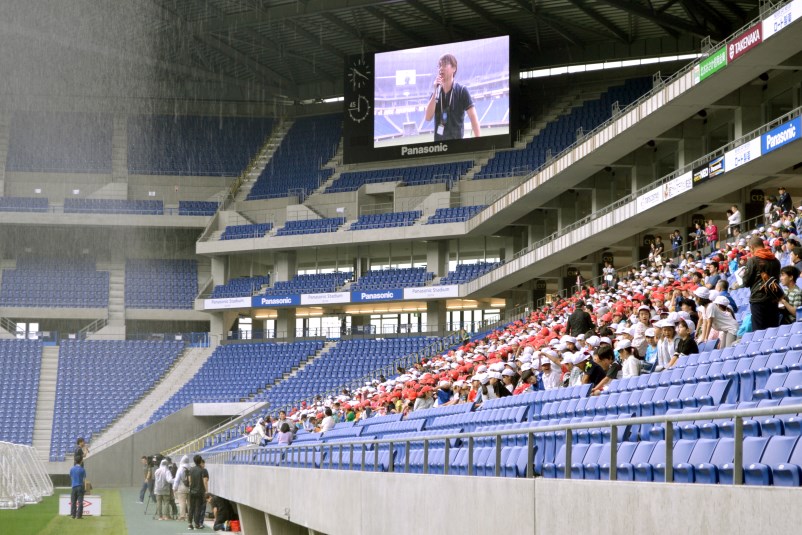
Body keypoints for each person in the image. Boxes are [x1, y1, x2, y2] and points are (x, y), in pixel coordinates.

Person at [424, 53, 481, 141]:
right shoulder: (436, 93)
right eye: (439, 66)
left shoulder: (462, 91)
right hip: (439, 147)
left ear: (454, 68)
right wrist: (435, 91)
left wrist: (479, 142)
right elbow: (428, 117)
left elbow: (473, 117)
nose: (441, 68)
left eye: (445, 64)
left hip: (457, 146)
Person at [742, 234, 783, 330]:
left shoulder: (752, 260)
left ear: (752, 247)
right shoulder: (775, 260)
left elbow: (746, 282)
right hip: (773, 299)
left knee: (759, 332)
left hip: (758, 300)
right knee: (773, 331)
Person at [188, 454, 209, 531]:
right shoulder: (202, 470)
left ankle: (190, 524)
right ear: (200, 461)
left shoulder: (191, 469)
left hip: (192, 491)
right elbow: (205, 481)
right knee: (198, 508)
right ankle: (196, 524)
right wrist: (206, 491)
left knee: (191, 508)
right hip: (200, 491)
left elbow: (189, 481)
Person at [173, 455, 192, 522]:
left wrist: (174, 488)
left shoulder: (180, 468)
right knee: (190, 503)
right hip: (190, 487)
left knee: (182, 503)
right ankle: (190, 516)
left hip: (182, 487)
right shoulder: (190, 467)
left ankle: (182, 516)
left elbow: (177, 479)